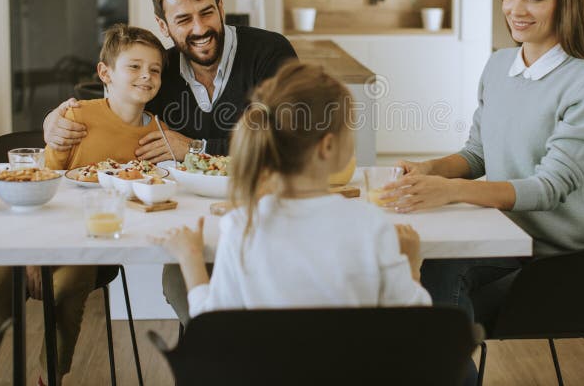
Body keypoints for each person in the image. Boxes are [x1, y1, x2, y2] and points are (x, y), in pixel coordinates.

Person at [381, 0, 584, 323]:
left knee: (439, 272)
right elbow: (477, 154)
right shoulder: (499, 65)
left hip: (556, 255)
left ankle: (437, 371)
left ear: (566, 3)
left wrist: (450, 191)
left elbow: (549, 187)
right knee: (404, 260)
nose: (517, 10)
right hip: (502, 233)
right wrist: (430, 169)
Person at [42, 0, 297, 321]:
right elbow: (111, 110)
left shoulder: (270, 52)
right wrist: (53, 119)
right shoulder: (159, 73)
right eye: (183, 20)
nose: (200, 28)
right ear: (163, 26)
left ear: (221, 7)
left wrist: (195, 148)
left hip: (265, 217)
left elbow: (286, 143)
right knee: (181, 287)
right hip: (191, 226)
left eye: (207, 13)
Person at [0, 24, 167, 386]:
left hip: (93, 240)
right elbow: (39, 187)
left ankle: (50, 377)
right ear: (105, 73)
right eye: (134, 66)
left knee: (70, 286)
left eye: (154, 69)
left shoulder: (157, 134)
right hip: (36, 229)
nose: (146, 76)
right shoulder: (76, 119)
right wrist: (32, 254)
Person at [150, 62, 431, 317]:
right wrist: (410, 266)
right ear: (328, 146)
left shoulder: (241, 227)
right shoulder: (371, 226)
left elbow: (211, 325)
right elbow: (412, 325)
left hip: (265, 376)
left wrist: (191, 260)